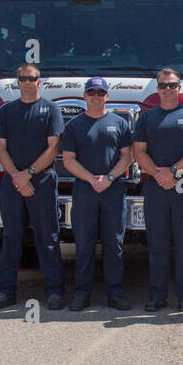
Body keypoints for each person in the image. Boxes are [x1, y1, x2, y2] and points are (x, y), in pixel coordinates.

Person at [0, 62, 66, 310]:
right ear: (17, 81)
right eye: (22, 78)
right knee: (11, 237)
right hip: (13, 183)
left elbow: (53, 147)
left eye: (31, 78)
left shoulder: (51, 109)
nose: (26, 82)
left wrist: (30, 173)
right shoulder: (6, 111)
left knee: (48, 237)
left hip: (42, 181)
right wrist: (16, 176)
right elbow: (0, 147)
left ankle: (54, 290)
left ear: (39, 82)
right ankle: (5, 290)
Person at [133, 68, 183, 311]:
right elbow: (139, 151)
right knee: (157, 244)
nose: (167, 89)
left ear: (179, 87)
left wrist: (173, 171)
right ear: (157, 89)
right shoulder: (146, 118)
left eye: (172, 85)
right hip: (156, 184)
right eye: (163, 85)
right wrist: (158, 174)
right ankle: (157, 296)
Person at [60, 78, 134, 311]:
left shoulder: (119, 123)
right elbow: (68, 160)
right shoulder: (74, 126)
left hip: (113, 190)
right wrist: (92, 179)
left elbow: (127, 155)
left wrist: (109, 177)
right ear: (84, 96)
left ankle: (115, 293)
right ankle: (82, 294)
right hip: (85, 191)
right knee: (84, 244)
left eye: (100, 92)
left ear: (107, 96)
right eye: (91, 92)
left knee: (114, 243)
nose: (96, 96)